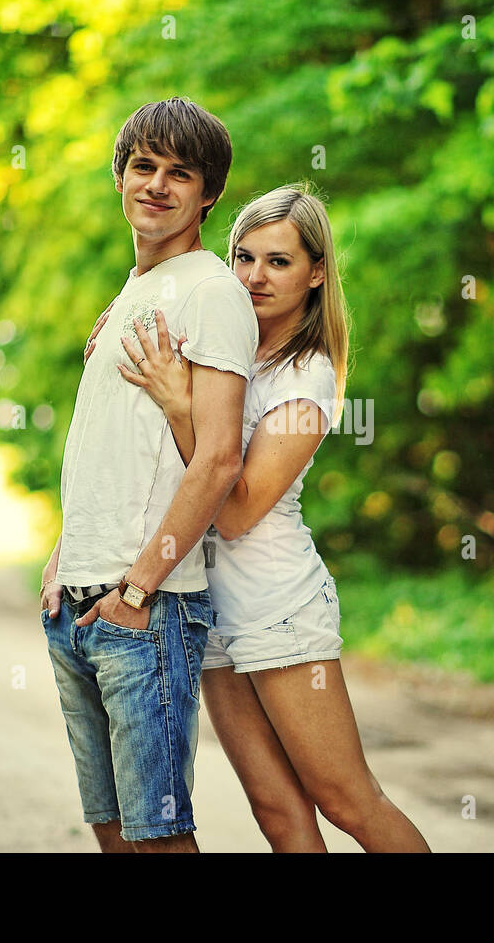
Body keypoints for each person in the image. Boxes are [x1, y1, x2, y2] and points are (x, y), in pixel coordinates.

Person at [97, 183, 430, 852]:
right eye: (244, 256)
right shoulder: (222, 350)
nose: (254, 276)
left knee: (346, 799)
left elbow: (242, 507)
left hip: (277, 605)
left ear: (316, 273)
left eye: (279, 261)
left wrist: (179, 405)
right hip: (205, 602)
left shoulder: (305, 374)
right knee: (277, 812)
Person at [39, 97, 258, 854]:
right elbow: (110, 447)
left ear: (209, 193)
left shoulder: (212, 291)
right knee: (113, 833)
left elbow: (221, 457)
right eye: (143, 166)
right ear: (121, 177)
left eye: (180, 172)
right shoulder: (127, 295)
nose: (158, 184)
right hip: (78, 607)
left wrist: (137, 589)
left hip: (148, 609)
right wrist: (62, 555)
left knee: (160, 842)